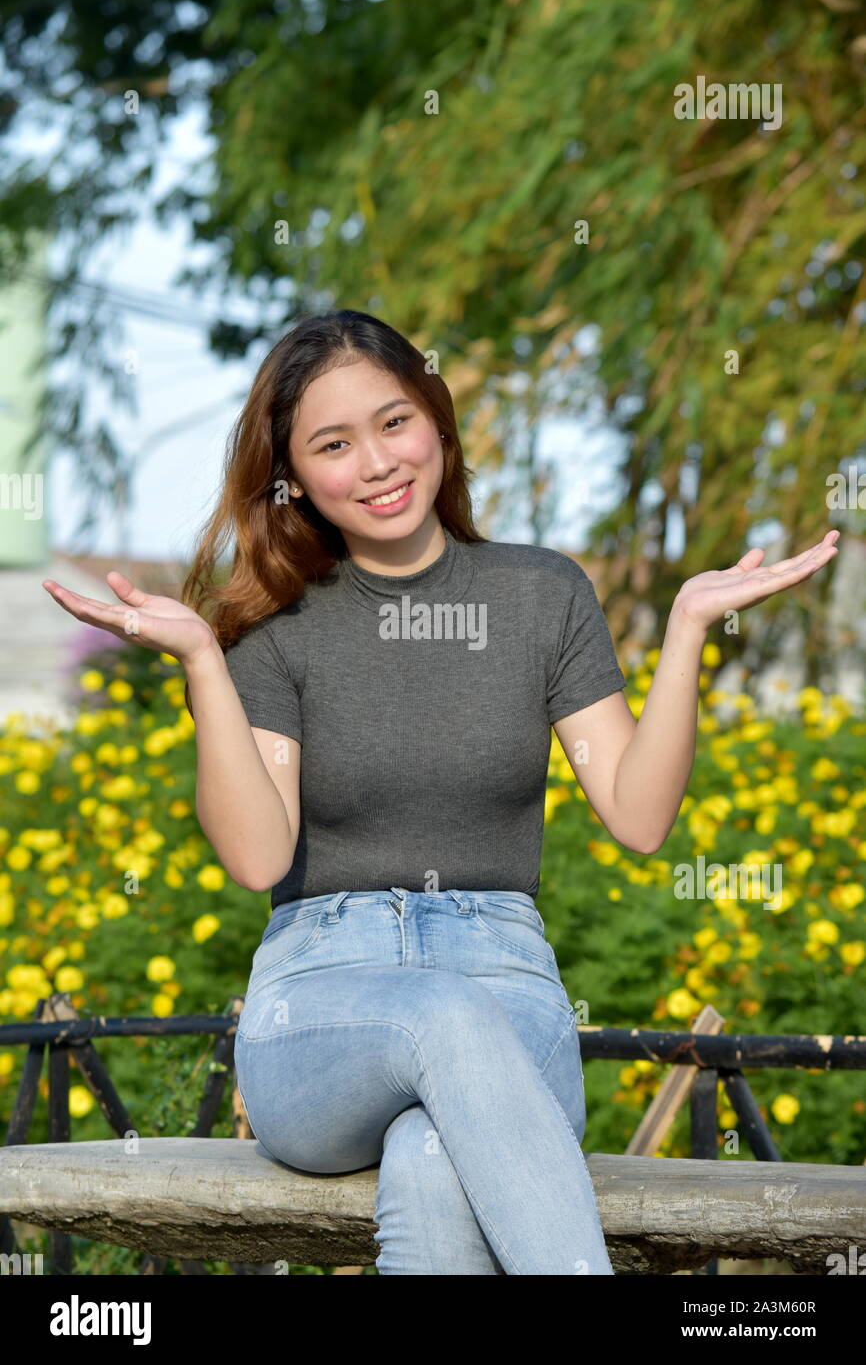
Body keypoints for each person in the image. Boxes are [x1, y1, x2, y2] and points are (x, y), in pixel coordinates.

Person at [42, 308, 839, 1275]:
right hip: (321, 1009)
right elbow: (257, 855)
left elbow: (637, 816)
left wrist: (684, 631)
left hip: (509, 991)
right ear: (293, 476)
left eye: (394, 423)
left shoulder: (542, 596)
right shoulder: (276, 627)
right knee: (440, 1013)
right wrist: (205, 660)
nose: (376, 462)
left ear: (438, 422)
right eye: (334, 444)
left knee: (430, 1157)